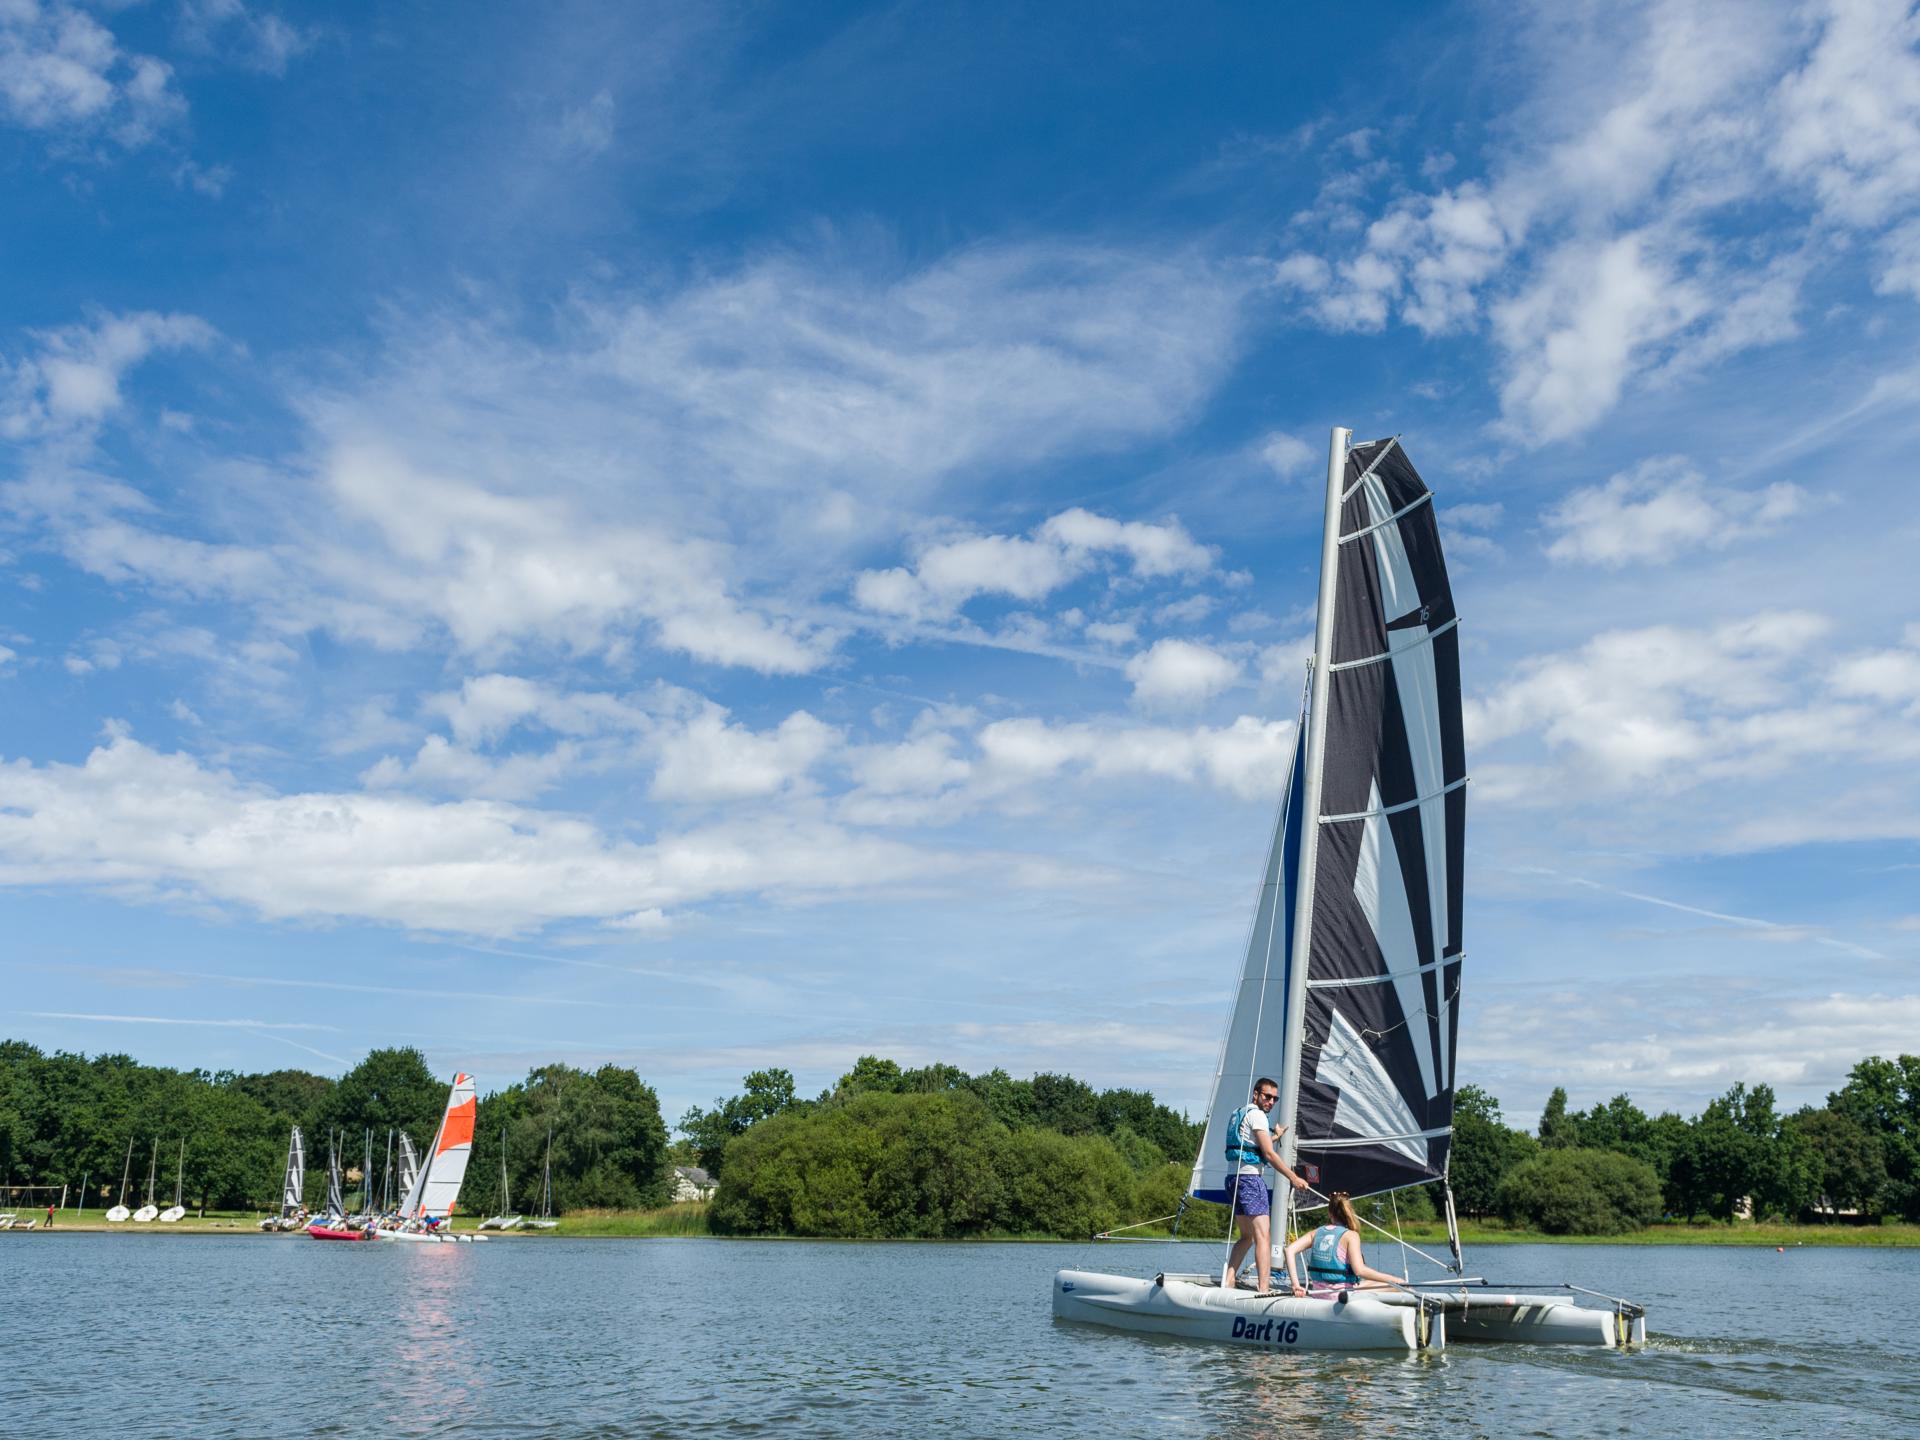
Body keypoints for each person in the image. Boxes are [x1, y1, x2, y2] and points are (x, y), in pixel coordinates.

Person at [1223, 1077, 1309, 1293]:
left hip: (1233, 1179)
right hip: (1250, 1180)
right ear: (1256, 1094)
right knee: (1263, 1236)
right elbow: (1269, 1154)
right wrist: (1293, 1177)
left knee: (1247, 1236)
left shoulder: (1239, 1113)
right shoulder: (1259, 1116)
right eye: (1267, 1096)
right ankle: (1264, 1289)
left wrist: (1276, 1135)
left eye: (1274, 1098)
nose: (1271, 1101)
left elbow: (1255, 1143)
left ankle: (1229, 1281)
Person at [1285, 1191, 1404, 1295]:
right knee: (1399, 1286)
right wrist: (1393, 1279)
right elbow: (1359, 1270)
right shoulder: (1351, 1236)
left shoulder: (1316, 1233)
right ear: (1349, 1212)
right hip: (1341, 1295)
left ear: (1329, 1213)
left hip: (1318, 1292)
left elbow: (1289, 1250)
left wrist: (1295, 1285)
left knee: (1368, 1283)